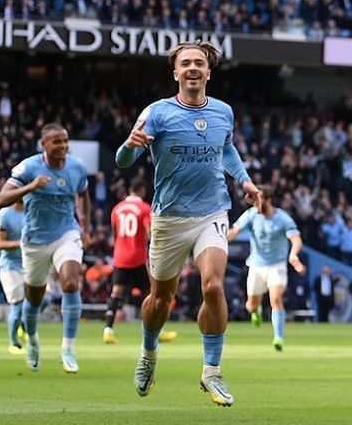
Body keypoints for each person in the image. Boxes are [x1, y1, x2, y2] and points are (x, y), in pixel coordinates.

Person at [117, 40, 261, 406]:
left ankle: (211, 371)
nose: (193, 68)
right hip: (168, 218)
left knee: (213, 287)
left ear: (208, 72)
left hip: (212, 212)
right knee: (161, 300)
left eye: (199, 63)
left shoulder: (223, 112)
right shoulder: (157, 113)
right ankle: (149, 353)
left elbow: (226, 148)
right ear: (176, 72)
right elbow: (123, 160)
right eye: (186, 64)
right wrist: (130, 146)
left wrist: (243, 180)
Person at [0, 123, 91, 374]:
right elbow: (0, 199)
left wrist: (85, 227)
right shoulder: (28, 168)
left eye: (65, 140)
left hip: (66, 233)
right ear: (44, 145)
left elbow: (84, 194)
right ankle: (33, 342)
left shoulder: (77, 167)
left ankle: (68, 348)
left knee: (70, 283)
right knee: (34, 299)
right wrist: (30, 187)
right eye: (56, 141)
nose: (63, 146)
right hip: (36, 240)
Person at [227, 186, 305, 350]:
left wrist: (293, 255)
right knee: (251, 305)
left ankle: (278, 337)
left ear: (269, 200)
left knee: (275, 299)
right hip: (256, 265)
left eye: (259, 200)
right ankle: (256, 311)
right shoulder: (251, 215)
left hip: (277, 266)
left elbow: (296, 239)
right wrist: (219, 241)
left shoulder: (283, 218)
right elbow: (235, 231)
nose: (256, 204)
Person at [105, 179, 177, 345]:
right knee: (150, 294)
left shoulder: (117, 209)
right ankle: (155, 331)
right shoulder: (144, 208)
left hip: (120, 256)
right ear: (142, 191)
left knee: (116, 293)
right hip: (137, 257)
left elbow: (114, 235)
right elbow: (150, 232)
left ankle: (108, 330)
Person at [0, 201, 25, 353]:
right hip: (10, 266)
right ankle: (13, 343)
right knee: (17, 306)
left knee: (45, 299)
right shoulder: (5, 214)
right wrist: (21, 243)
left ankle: (23, 323)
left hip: (30, 264)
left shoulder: (33, 212)